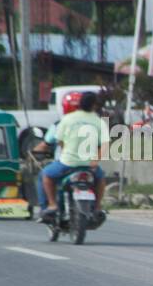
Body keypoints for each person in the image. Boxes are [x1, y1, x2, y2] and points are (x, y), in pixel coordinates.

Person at [40, 90, 107, 221]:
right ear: (94, 105)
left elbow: (58, 140)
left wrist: (66, 149)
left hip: (67, 163)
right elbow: (104, 144)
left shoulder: (67, 119)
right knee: (101, 178)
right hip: (89, 165)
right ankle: (98, 207)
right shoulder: (98, 121)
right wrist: (95, 161)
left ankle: (52, 205)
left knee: (46, 175)